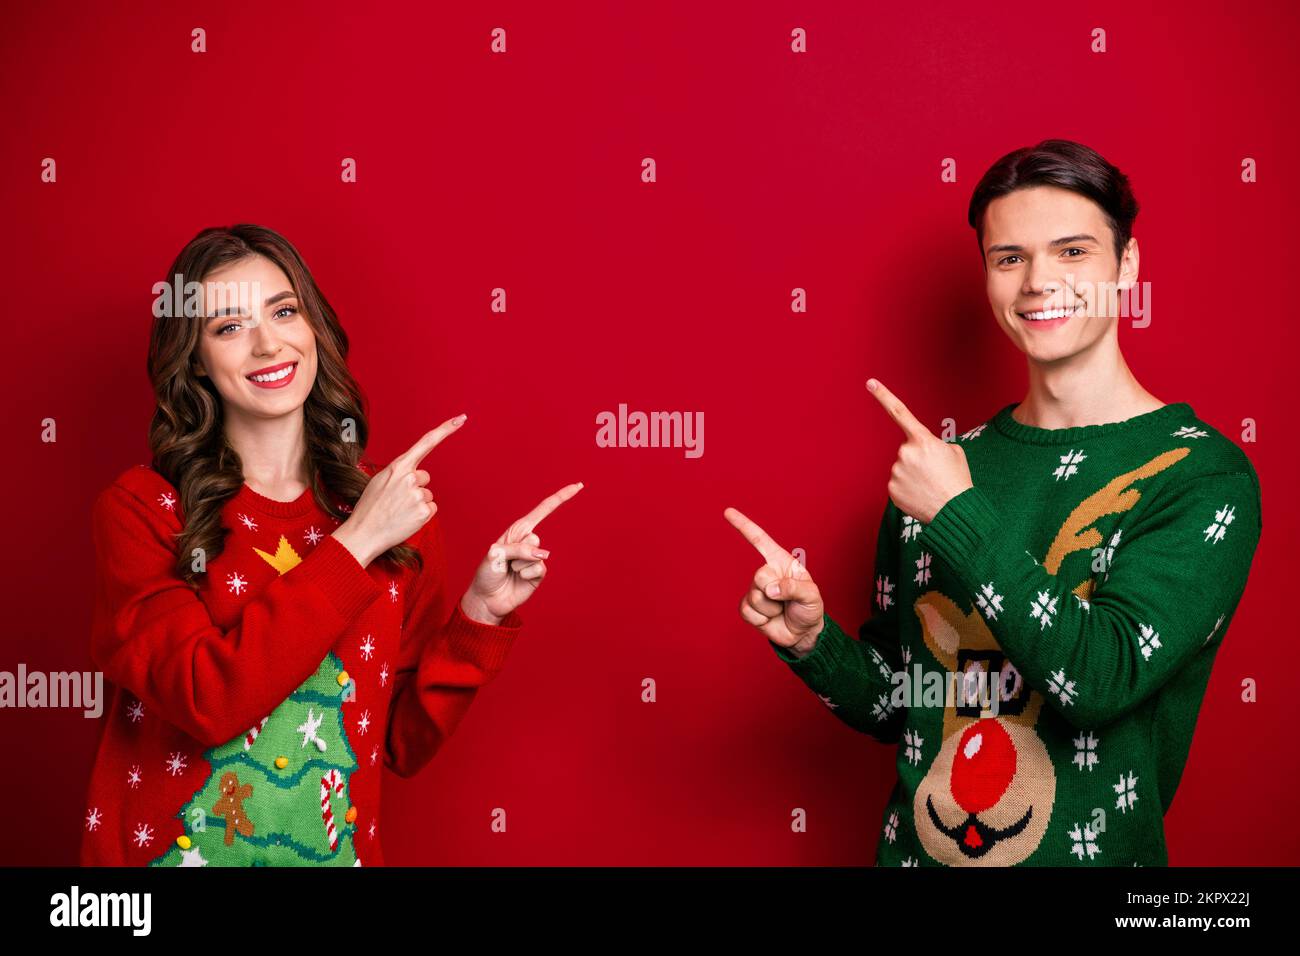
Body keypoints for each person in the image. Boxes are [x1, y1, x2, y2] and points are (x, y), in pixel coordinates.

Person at [726, 139, 1262, 866]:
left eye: (1072, 252)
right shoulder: (941, 466)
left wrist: (956, 515)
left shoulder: (1200, 475)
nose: (1039, 282)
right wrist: (813, 645)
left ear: (1127, 267)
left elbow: (1098, 680)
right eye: (1009, 258)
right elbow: (904, 703)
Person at [79, 224, 581, 866]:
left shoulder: (392, 511)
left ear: (312, 325)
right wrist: (358, 541)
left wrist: (480, 615)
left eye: (284, 311)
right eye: (228, 327)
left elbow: (395, 742)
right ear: (195, 357)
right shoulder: (142, 509)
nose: (268, 344)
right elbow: (206, 699)